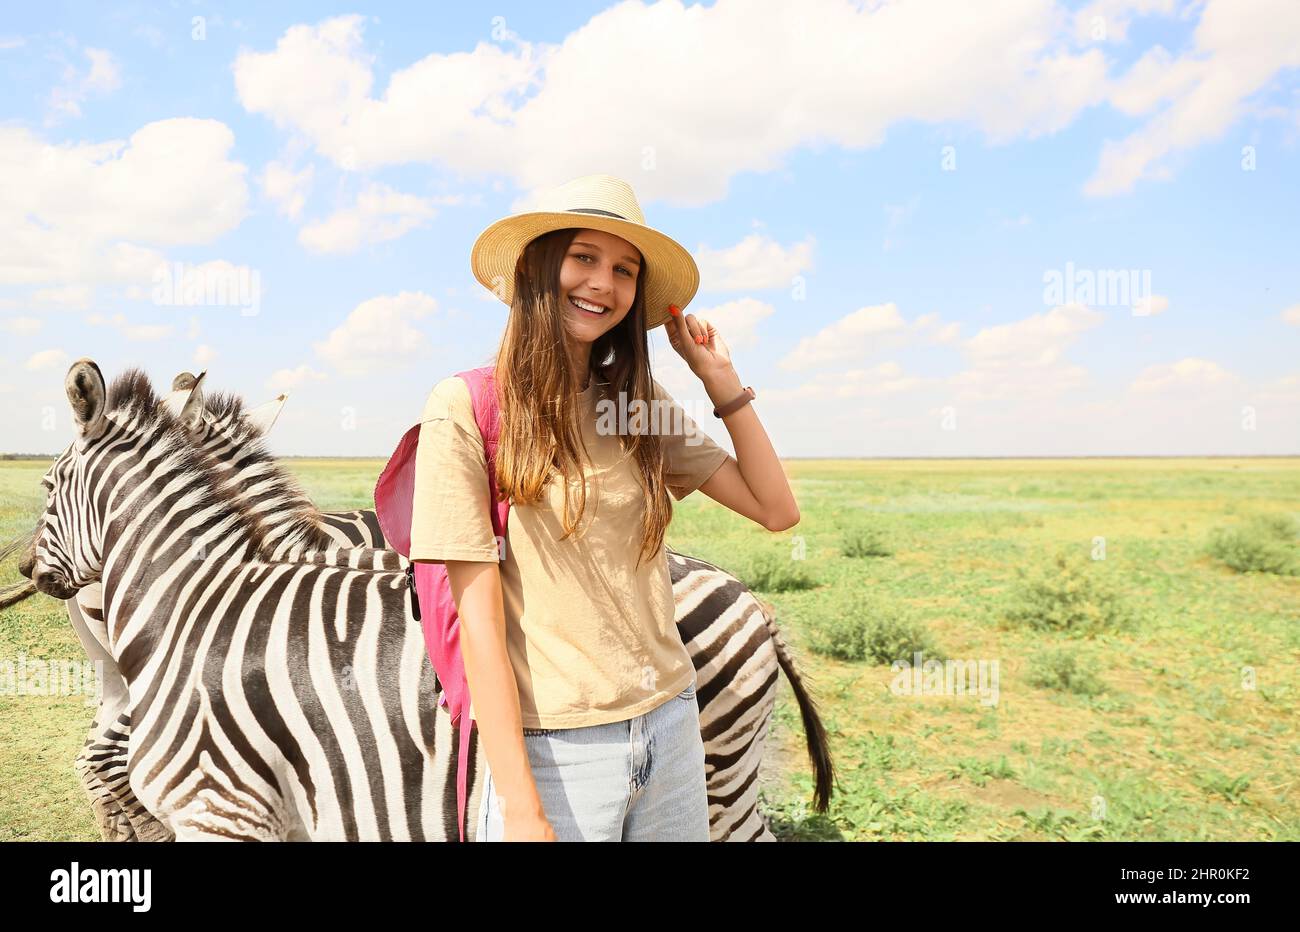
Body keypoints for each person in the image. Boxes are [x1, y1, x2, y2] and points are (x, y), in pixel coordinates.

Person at [408, 174, 799, 842]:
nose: (603, 283)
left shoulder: (637, 401)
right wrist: (523, 808)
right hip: (557, 748)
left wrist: (722, 385)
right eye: (584, 256)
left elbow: (775, 509)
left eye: (624, 270)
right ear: (536, 266)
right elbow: (479, 628)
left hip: (670, 721)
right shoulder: (465, 406)